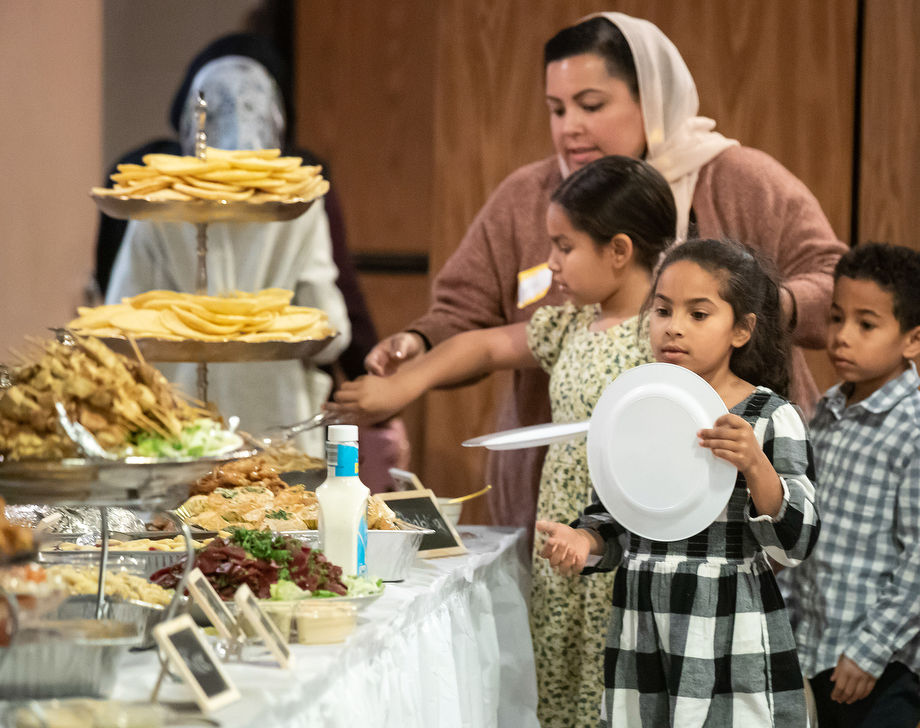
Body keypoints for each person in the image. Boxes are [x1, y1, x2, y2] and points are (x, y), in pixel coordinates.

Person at [363, 12, 847, 532]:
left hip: (726, 486)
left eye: (591, 105)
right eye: (556, 109)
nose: (570, 126)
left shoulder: (736, 178)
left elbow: (831, 277)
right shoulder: (531, 195)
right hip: (568, 500)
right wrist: (417, 341)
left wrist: (746, 308)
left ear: (652, 100)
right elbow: (465, 314)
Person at [335, 156, 677, 728]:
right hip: (559, 546)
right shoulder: (570, 324)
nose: (550, 263)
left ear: (618, 250)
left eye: (564, 247)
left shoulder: (665, 335)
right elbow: (485, 347)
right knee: (561, 689)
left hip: (623, 555)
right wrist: (406, 384)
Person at [538, 238, 820, 728]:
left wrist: (757, 466)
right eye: (663, 310)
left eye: (699, 314)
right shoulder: (637, 407)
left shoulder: (770, 417)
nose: (674, 327)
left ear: (742, 329)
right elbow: (613, 516)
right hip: (642, 621)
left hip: (728, 623)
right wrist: (582, 539)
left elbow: (797, 540)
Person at [106, 38, 351, 456]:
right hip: (278, 426)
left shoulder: (157, 208)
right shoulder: (301, 208)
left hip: (176, 432)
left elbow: (120, 327)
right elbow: (333, 332)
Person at [781, 243, 920, 728]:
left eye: (866, 324)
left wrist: (870, 651)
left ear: (914, 339)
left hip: (876, 667)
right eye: (837, 318)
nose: (841, 337)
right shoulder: (823, 415)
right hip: (809, 650)